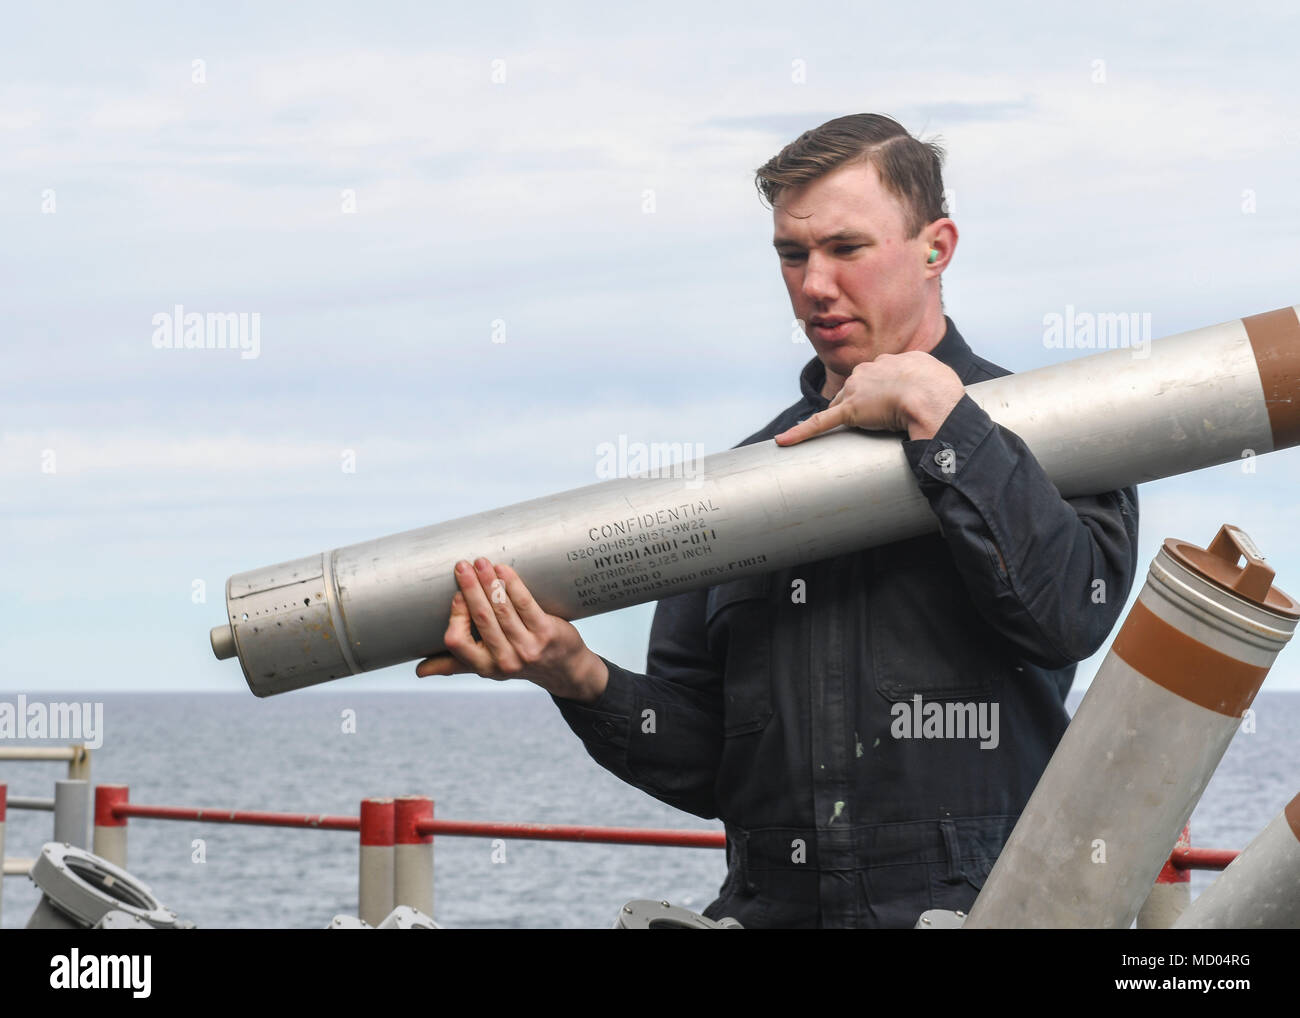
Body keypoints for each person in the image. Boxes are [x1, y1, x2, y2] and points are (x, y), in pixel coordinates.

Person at [414, 114, 1140, 928]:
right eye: (792, 256)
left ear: (937, 247)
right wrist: (575, 675)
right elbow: (707, 767)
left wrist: (943, 412)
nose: (815, 285)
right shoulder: (736, 489)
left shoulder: (1061, 435)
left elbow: (1067, 613)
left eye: (846, 249)